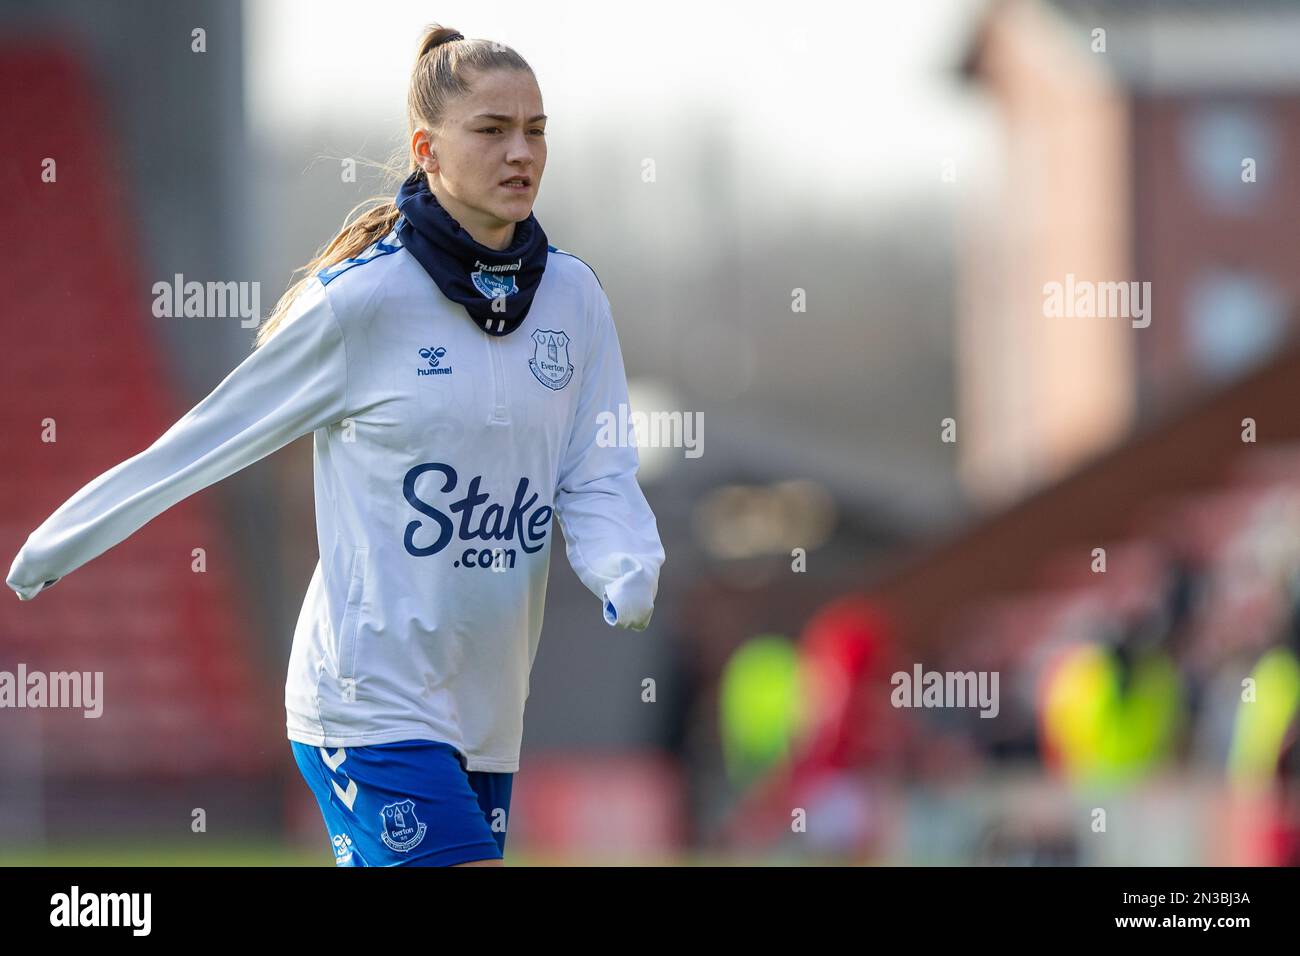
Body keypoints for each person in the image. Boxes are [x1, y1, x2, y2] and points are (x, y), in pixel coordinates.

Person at [6, 23, 666, 867]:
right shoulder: (363, 304)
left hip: (487, 711)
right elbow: (205, 440)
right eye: (492, 130)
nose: (521, 152)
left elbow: (596, 466)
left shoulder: (575, 301)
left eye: (535, 130)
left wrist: (624, 560)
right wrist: (54, 544)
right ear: (428, 150)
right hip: (366, 703)